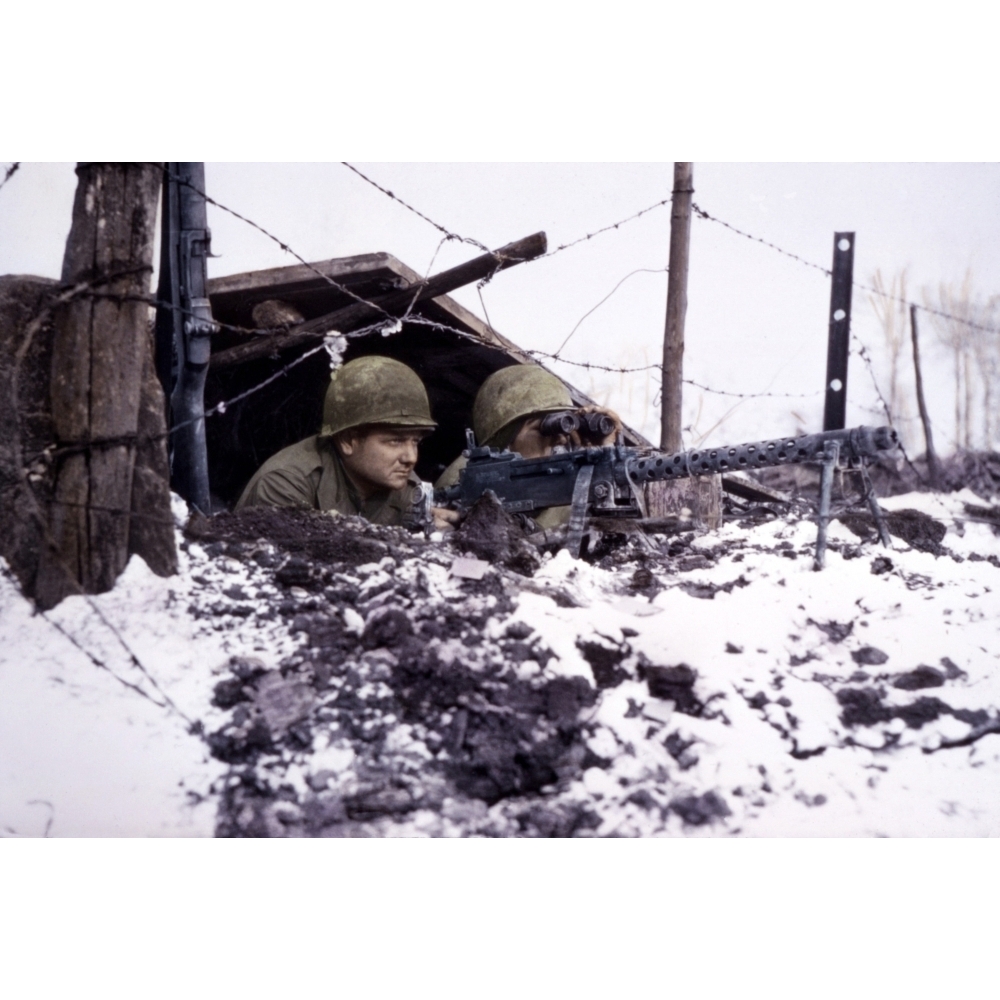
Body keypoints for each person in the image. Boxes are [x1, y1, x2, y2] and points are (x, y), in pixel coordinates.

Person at [237, 355, 457, 530]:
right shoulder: (285, 485)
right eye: (395, 441)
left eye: (415, 442)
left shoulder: (403, 485)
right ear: (347, 441)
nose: (411, 457)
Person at [434, 365, 621, 529]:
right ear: (505, 437)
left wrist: (604, 456)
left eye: (565, 426)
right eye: (545, 428)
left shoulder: (565, 487)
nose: (562, 440)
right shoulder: (463, 483)